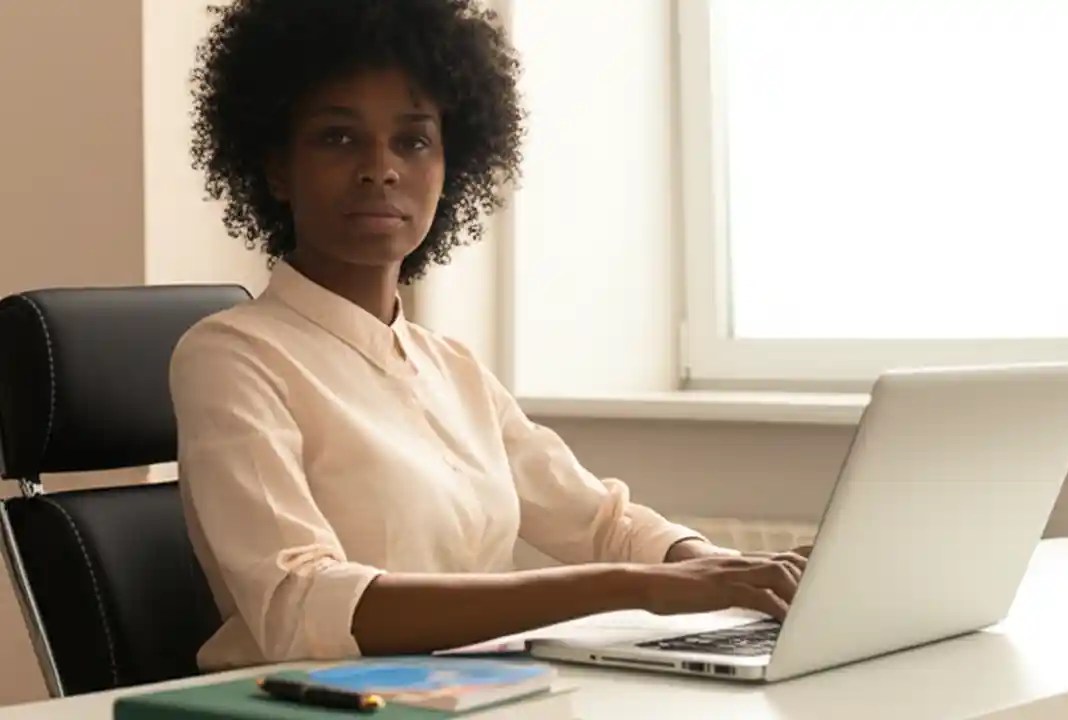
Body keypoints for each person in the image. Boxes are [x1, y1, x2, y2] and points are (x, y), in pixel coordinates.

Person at [173, 0, 807, 672]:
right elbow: (302, 607)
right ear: (275, 168)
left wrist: (722, 568)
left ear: (452, 167)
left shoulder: (452, 367)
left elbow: (601, 523)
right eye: (338, 137)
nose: (380, 168)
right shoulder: (232, 357)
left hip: (474, 695)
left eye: (413, 141)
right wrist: (640, 589)